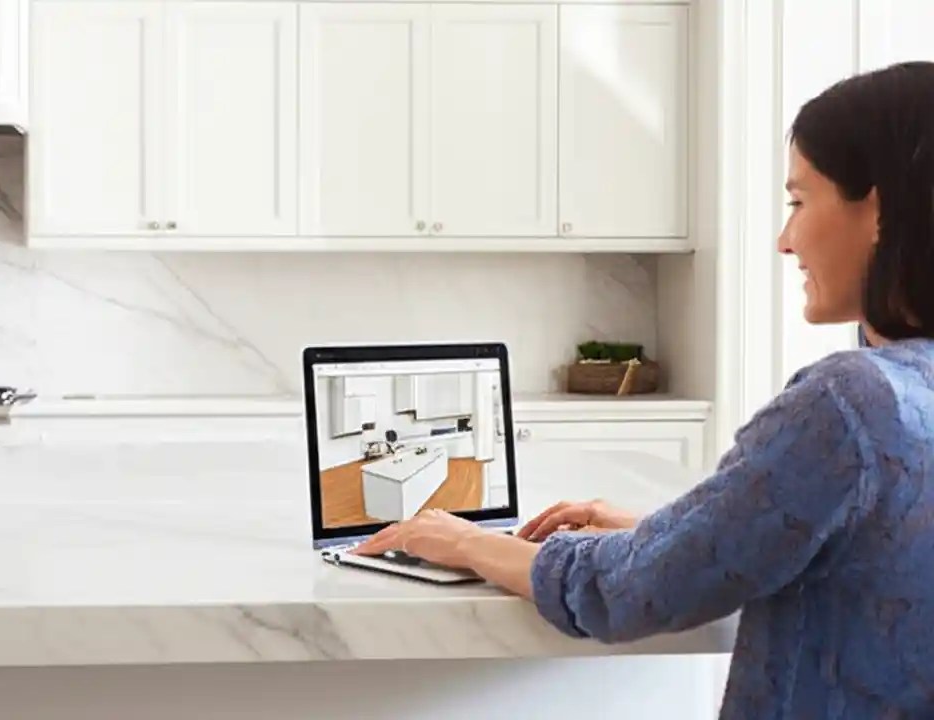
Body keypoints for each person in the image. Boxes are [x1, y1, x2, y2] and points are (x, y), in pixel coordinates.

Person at [353, 60, 934, 718]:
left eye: (799, 201)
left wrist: (469, 544)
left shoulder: (852, 400)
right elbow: (858, 552)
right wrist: (667, 529)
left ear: (879, 208)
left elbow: (634, 593)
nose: (783, 240)